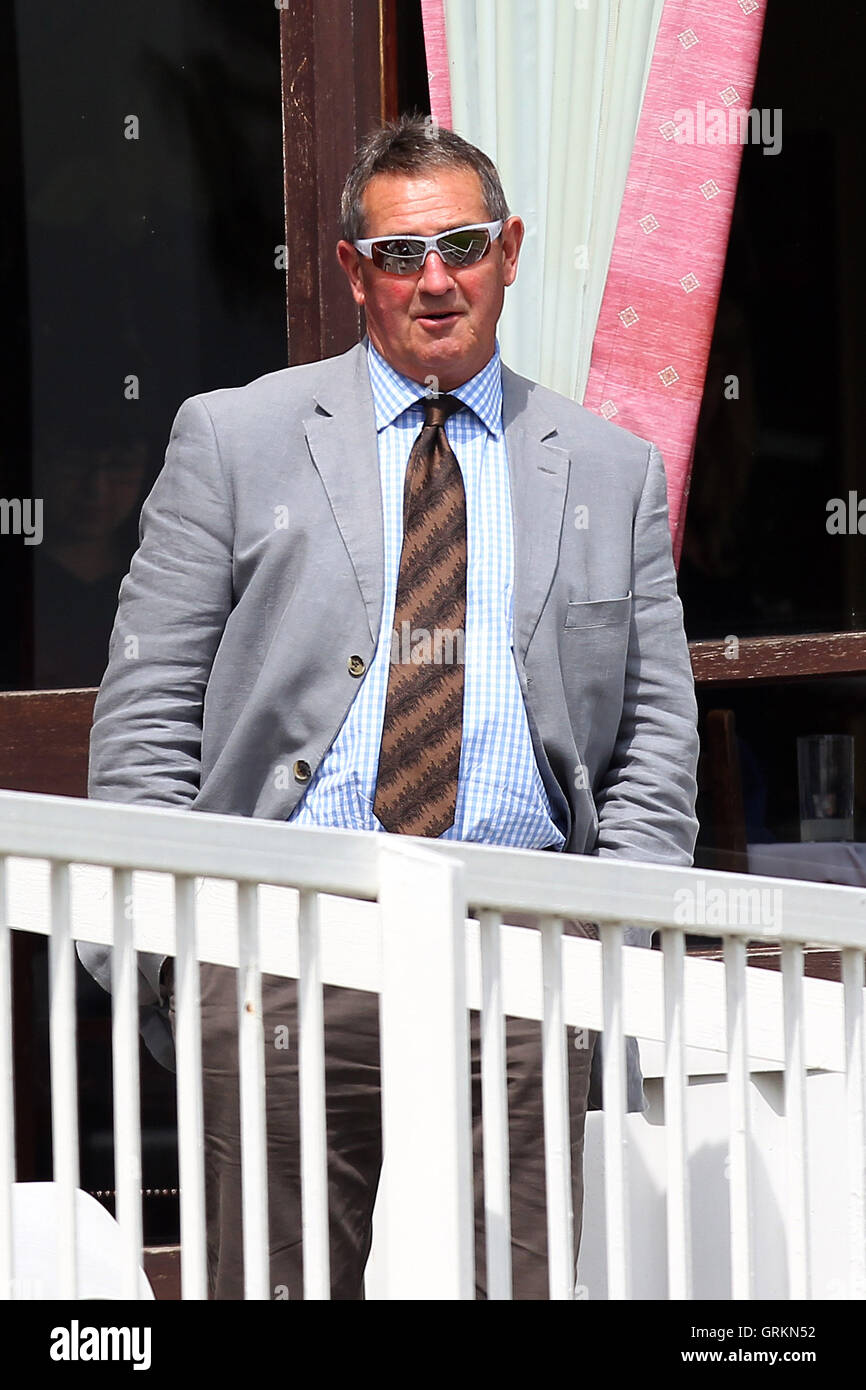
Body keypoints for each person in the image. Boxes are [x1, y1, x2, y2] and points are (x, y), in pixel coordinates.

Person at [79, 114, 699, 1299]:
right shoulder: (234, 437)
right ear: (352, 271)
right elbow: (149, 706)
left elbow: (652, 737)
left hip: (522, 949)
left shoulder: (611, 470)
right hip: (281, 947)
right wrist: (170, 961)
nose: (435, 281)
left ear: (509, 251)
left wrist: (604, 944)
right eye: (400, 254)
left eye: (461, 246)